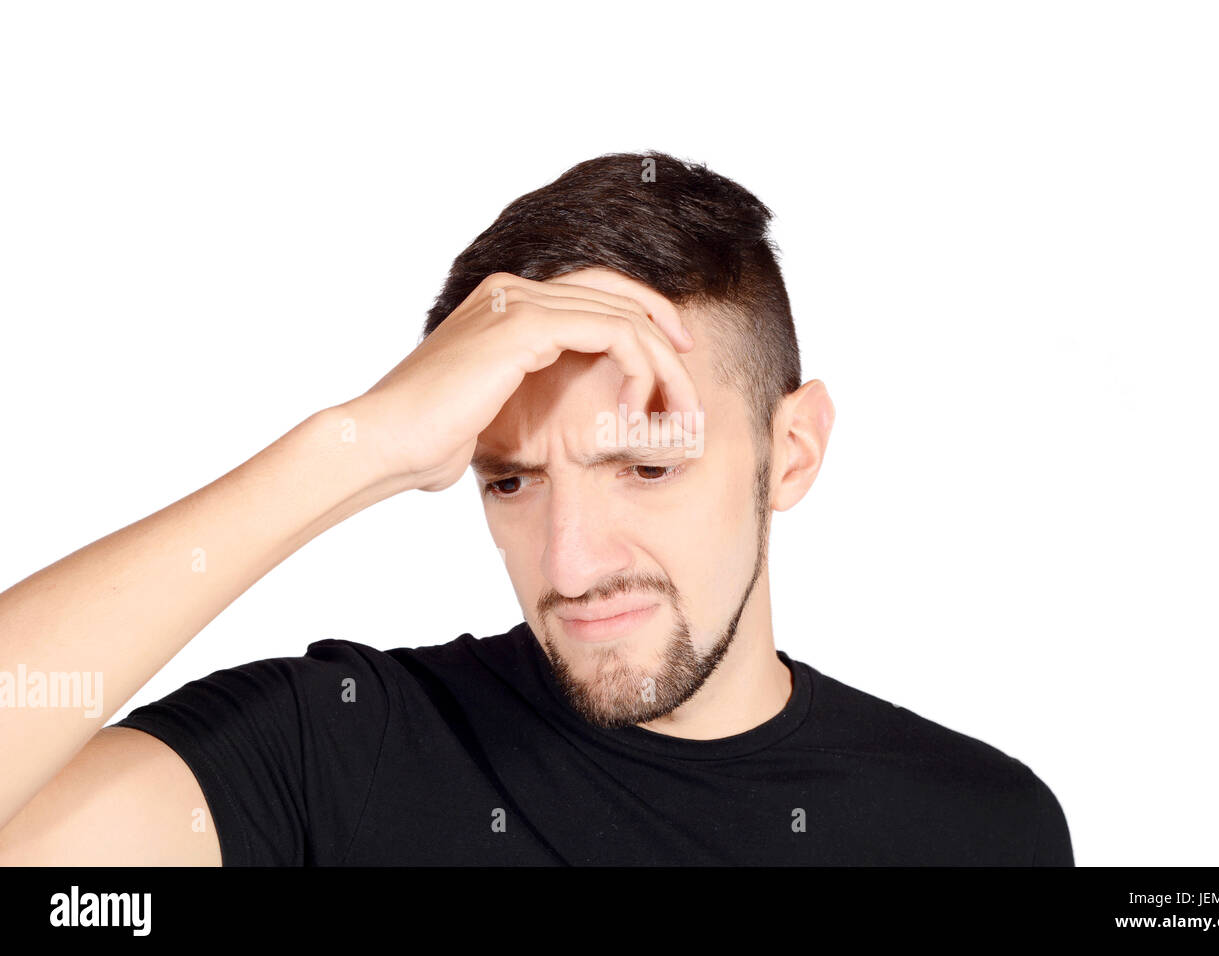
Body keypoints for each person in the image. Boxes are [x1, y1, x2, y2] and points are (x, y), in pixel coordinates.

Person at [0, 151, 1073, 865]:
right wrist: (352, 444)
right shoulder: (341, 754)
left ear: (790, 455)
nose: (568, 562)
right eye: (509, 479)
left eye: (645, 466)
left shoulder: (977, 827)